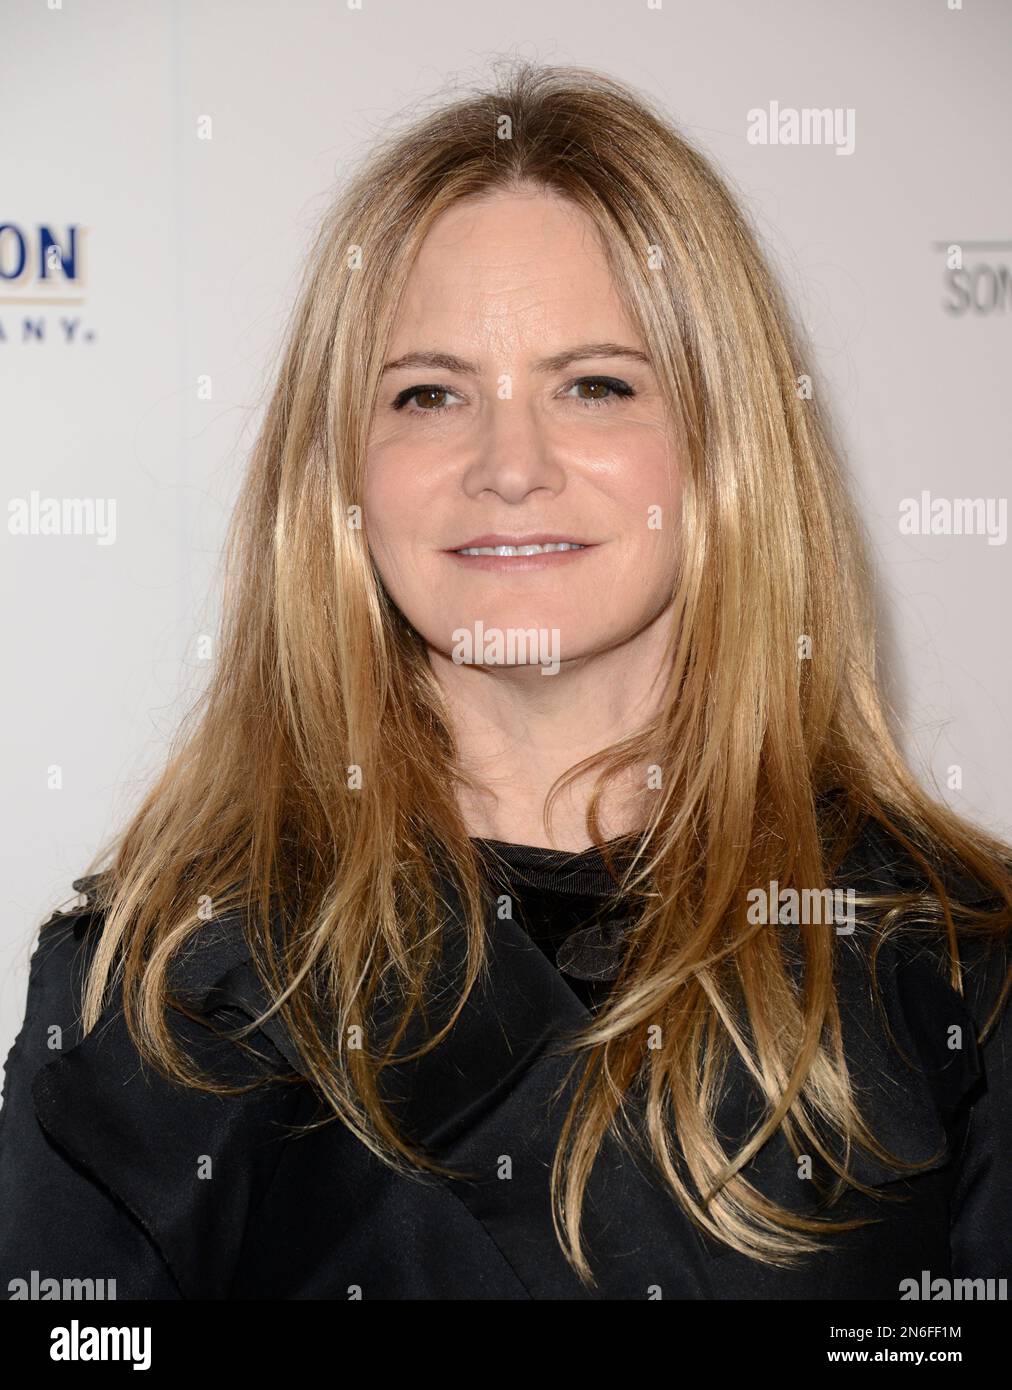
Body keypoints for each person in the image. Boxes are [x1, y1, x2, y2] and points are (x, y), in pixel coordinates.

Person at [2, 61, 1010, 1300]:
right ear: (342, 475)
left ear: (723, 442)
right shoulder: (161, 981)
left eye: (595, 384)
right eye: (428, 394)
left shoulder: (953, 959)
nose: (507, 463)